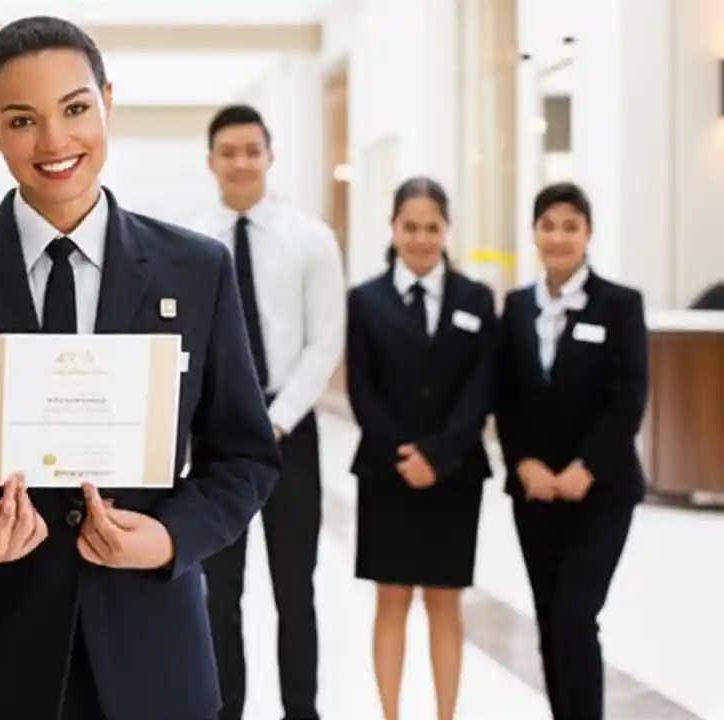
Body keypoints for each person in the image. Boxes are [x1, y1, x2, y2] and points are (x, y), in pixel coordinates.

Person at [0, 16, 281, 720]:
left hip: (153, 648)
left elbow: (243, 455)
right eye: (23, 119)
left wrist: (172, 536)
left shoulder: (197, 268)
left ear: (107, 103)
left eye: (76, 109)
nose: (56, 142)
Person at [192, 104, 345, 720]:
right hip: (218, 441)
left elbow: (324, 341)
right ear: (211, 162)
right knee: (218, 593)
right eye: (228, 152)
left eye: (252, 150)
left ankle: (300, 712)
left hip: (289, 434)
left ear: (270, 156)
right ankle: (225, 710)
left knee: (295, 589)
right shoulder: (192, 241)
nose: (241, 162)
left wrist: (276, 419)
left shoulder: (311, 238)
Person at [346, 178, 498, 720]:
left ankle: (445, 715)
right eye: (411, 227)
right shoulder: (365, 300)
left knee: (444, 604)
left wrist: (439, 454)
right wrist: (404, 455)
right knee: (391, 602)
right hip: (388, 473)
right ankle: (390, 714)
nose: (421, 238)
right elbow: (362, 390)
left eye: (432, 227)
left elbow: (481, 389)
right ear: (393, 229)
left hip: (454, 474)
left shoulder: (475, 299)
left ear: (446, 231)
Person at [495, 182, 648, 719]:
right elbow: (506, 395)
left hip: (601, 491)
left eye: (570, 226)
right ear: (535, 232)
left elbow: (628, 399)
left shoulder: (620, 306)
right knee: (548, 618)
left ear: (588, 233)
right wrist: (524, 463)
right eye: (548, 225)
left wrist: (587, 467)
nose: (558, 237)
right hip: (535, 493)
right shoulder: (515, 308)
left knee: (575, 615)